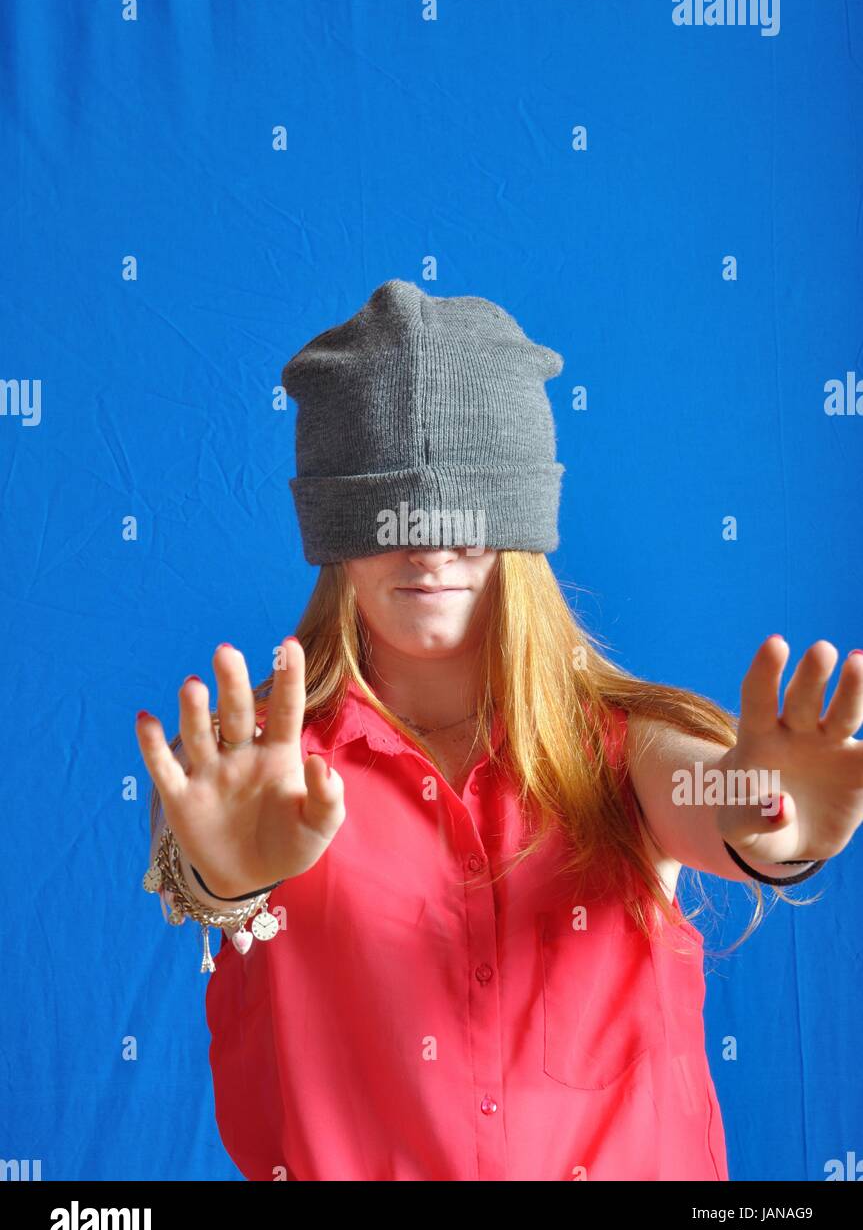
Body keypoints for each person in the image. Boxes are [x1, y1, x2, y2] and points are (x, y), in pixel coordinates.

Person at [137, 279, 862, 1181]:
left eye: (468, 514)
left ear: (523, 529)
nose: (428, 547)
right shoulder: (265, 771)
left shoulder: (627, 751)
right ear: (332, 533)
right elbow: (196, 854)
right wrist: (222, 879)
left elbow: (712, 802)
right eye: (382, 511)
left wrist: (773, 818)